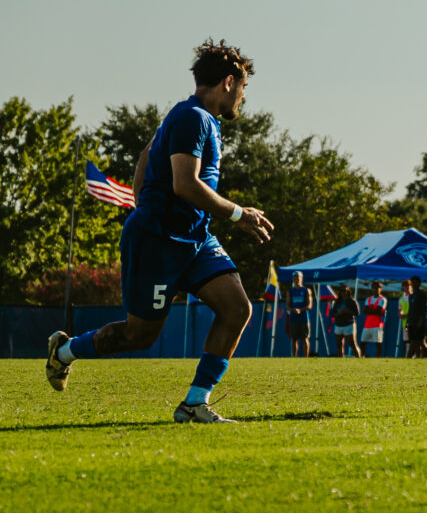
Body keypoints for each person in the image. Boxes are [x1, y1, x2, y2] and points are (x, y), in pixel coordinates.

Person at [44, 39, 272, 423]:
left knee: (237, 309)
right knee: (139, 335)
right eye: (244, 88)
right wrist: (237, 215)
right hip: (158, 242)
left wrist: (147, 204)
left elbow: (146, 156)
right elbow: (185, 184)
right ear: (229, 82)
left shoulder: (194, 118)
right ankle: (64, 351)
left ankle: (194, 403)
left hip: (194, 239)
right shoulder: (193, 117)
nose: (243, 98)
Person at [286, 271, 312, 358]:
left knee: (305, 338)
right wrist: (293, 310)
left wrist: (300, 310)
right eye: (295, 277)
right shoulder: (290, 291)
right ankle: (294, 357)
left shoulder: (306, 290)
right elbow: (288, 306)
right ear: (292, 279)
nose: (297, 279)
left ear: (302, 278)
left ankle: (306, 357)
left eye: (298, 277)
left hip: (304, 318)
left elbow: (309, 305)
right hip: (293, 318)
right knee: (294, 339)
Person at [331, 285, 361, 357]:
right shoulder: (337, 302)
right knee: (339, 344)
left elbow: (357, 313)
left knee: (352, 344)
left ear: (348, 292)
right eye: (342, 291)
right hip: (339, 324)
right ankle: (340, 360)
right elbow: (333, 314)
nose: (344, 293)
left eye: (345, 291)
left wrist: (347, 311)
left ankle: (359, 359)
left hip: (349, 324)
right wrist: (339, 313)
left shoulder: (352, 301)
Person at [362, 281, 388, 358]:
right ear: (371, 289)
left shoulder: (382, 299)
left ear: (381, 289)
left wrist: (371, 310)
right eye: (374, 287)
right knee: (363, 342)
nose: (375, 289)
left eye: (377, 287)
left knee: (378, 343)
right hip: (367, 325)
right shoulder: (368, 299)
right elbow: (365, 311)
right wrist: (374, 310)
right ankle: (362, 357)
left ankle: (378, 358)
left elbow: (378, 310)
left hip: (378, 325)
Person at [406, 277, 427, 358]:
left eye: (415, 282)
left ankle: (412, 356)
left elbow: (423, 310)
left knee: (419, 341)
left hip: (419, 323)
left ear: (419, 284)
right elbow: (410, 309)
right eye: (412, 282)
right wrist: (407, 322)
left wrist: (420, 321)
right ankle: (417, 356)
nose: (413, 284)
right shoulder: (411, 296)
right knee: (413, 341)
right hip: (411, 322)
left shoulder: (422, 295)